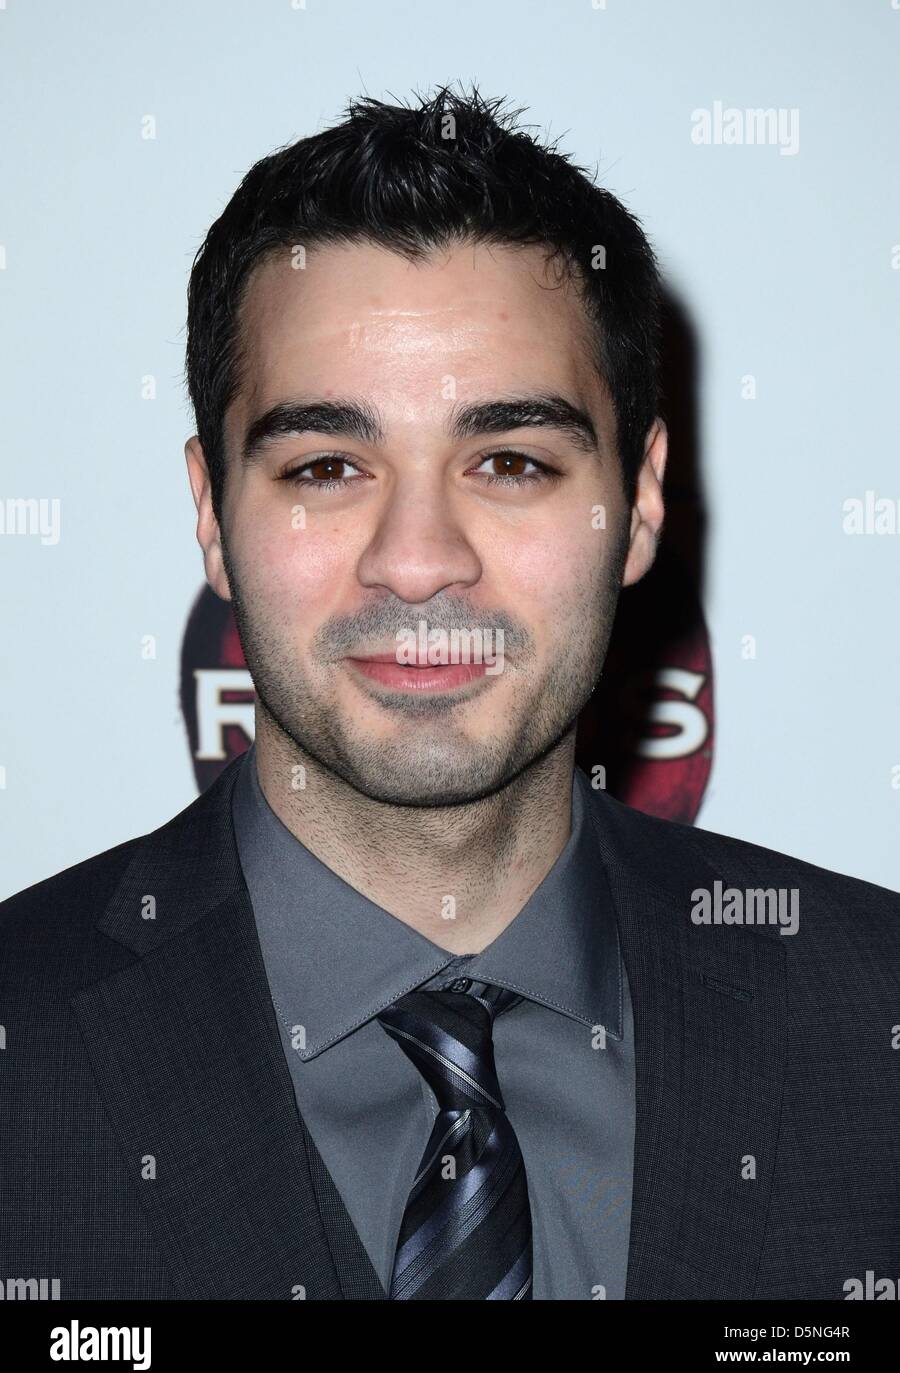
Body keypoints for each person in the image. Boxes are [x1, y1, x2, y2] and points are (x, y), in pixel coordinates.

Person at [2, 86, 898, 1302]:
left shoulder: (872, 1020)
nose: (418, 559)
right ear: (212, 515)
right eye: (326, 465)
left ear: (637, 503)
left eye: (511, 461)